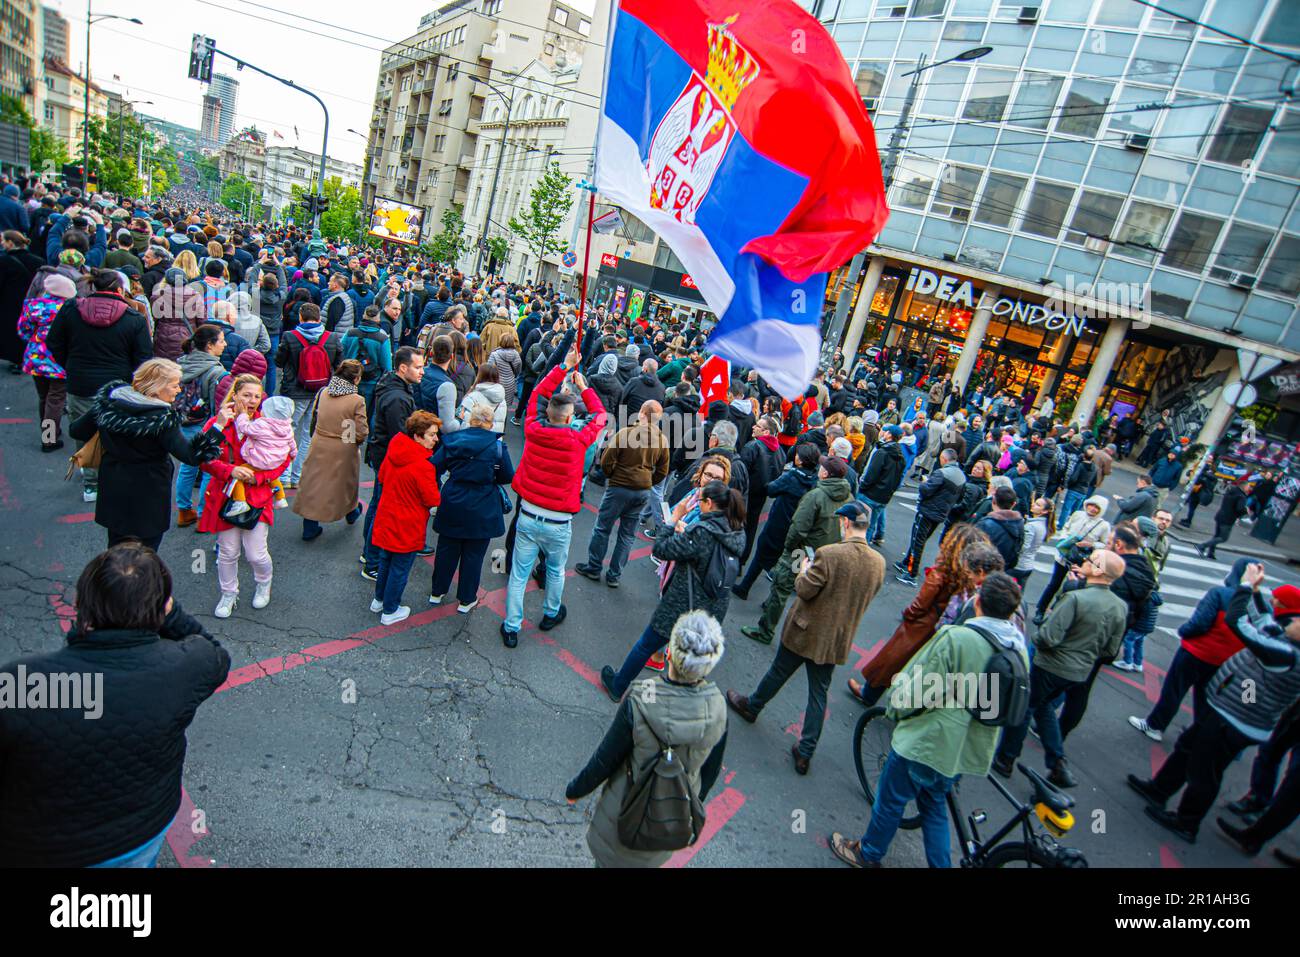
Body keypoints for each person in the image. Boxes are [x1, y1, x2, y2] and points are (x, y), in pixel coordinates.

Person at [0, 544, 230, 867]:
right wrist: (171, 612)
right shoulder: (183, 668)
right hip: (143, 830)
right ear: (160, 611)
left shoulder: (20, 683)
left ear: (81, 604)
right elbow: (216, 653)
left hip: (45, 847)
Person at [830, 573, 1029, 868]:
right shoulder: (1018, 647)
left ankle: (867, 852)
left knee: (891, 798)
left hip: (931, 738)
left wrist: (896, 709)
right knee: (934, 804)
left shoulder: (958, 638)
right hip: (965, 747)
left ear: (978, 604)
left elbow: (920, 687)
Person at [1129, 563, 1300, 843]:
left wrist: (1244, 588)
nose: (1287, 623)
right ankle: (1158, 789)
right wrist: (1255, 591)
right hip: (1226, 710)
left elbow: (1239, 623)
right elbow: (1264, 621)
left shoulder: (1286, 654)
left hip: (1236, 720)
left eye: (1293, 621)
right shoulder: (1284, 640)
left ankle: (1187, 822)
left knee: (1204, 771)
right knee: (1187, 748)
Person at [726, 502, 885, 773]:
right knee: (818, 693)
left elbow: (804, 590)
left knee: (779, 671)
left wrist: (804, 569)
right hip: (836, 636)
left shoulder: (830, 554)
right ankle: (805, 750)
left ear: (845, 523)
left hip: (806, 628)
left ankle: (752, 706)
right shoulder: (877, 563)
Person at [566, 610, 727, 868]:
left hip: (624, 815)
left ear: (670, 654)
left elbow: (605, 760)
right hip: (669, 820)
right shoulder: (719, 708)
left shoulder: (641, 699)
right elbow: (709, 773)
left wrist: (575, 790)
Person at [600, 481, 746, 700]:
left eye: (701, 501)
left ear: (710, 504)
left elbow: (661, 549)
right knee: (688, 658)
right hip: (714, 606)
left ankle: (618, 685)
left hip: (683, 602)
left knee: (647, 644)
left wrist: (674, 518)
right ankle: (675, 701)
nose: (698, 505)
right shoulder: (737, 532)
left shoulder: (703, 532)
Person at [994, 549, 1128, 787]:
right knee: (1044, 708)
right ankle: (1057, 762)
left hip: (1051, 665)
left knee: (1023, 708)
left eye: (1090, 560)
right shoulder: (1119, 606)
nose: (1084, 562)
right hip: (1080, 670)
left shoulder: (1077, 599)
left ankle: (1006, 758)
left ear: (1098, 570)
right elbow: (1110, 651)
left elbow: (1047, 637)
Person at [502, 348, 606, 647]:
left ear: (548, 413)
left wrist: (563, 367)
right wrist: (584, 388)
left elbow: (537, 392)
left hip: (529, 513)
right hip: (559, 520)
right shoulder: (580, 438)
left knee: (519, 574)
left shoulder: (534, 430)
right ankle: (550, 612)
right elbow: (600, 415)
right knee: (555, 569)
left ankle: (511, 626)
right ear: (571, 417)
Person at [68, 358, 226, 552]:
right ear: (156, 387)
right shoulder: (162, 419)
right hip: (148, 495)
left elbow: (77, 431)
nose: (179, 390)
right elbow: (192, 456)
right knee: (144, 555)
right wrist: (218, 426)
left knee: (116, 552)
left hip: (113, 488)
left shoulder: (110, 402)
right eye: (175, 385)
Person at [47, 267, 153, 502]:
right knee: (116, 431)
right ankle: (110, 478)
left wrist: (70, 364)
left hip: (81, 381)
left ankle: (90, 482)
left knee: (84, 430)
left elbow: (54, 341)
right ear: (119, 289)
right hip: (118, 386)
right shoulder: (133, 317)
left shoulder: (71, 310)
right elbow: (144, 357)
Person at [1126, 560, 1256, 742]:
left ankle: (1155, 725)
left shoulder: (1220, 594)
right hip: (1223, 661)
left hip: (1196, 652)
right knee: (1204, 698)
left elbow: (1200, 623)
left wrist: (1184, 631)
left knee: (1174, 690)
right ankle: (1197, 734)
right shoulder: (1256, 605)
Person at [199, 374, 292, 618]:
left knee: (256, 553)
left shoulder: (268, 422)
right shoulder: (218, 422)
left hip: (258, 494)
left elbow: (285, 458)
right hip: (225, 495)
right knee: (227, 551)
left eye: (257, 395)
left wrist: (259, 478)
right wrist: (230, 470)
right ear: (235, 395)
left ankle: (264, 583)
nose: (252, 400)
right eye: (246, 395)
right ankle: (228, 593)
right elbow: (203, 459)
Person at [741, 456, 852, 645]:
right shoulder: (848, 497)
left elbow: (798, 528)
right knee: (813, 595)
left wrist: (790, 547)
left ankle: (765, 630)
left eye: (822, 467)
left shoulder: (816, 496)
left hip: (802, 551)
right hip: (828, 554)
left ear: (825, 473)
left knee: (781, 588)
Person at [428, 402, 514, 613]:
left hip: (453, 499)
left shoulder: (453, 440)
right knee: (473, 554)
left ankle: (437, 592)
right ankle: (466, 599)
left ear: (470, 419)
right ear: (490, 423)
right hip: (482, 503)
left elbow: (434, 467)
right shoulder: (496, 446)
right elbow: (507, 476)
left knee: (446, 549)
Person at [576, 400, 670, 587]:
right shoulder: (662, 440)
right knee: (627, 535)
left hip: (619, 487)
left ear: (642, 413)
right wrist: (649, 481)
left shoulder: (626, 433)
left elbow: (606, 460)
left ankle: (594, 567)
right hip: (642, 490)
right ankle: (614, 575)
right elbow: (662, 470)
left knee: (603, 528)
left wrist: (613, 476)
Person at [369, 410, 442, 625]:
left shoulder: (395, 451)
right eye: (431, 435)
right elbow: (433, 499)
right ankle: (390, 610)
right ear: (417, 436)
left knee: (385, 562)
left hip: (387, 517)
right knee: (399, 569)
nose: (436, 439)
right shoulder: (423, 466)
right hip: (408, 524)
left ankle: (379, 600)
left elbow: (382, 477)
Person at [361, 347, 426, 580]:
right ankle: (373, 561)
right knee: (381, 509)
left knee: (378, 504)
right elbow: (401, 435)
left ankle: (368, 553)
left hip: (381, 454)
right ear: (403, 368)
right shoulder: (398, 397)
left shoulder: (393, 386)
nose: (422, 372)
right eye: (418, 367)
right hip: (388, 459)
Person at [293, 359, 368, 541]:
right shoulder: (356, 400)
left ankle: (310, 526)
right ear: (356, 378)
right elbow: (359, 430)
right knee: (344, 483)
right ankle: (351, 512)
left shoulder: (324, 391)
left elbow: (315, 416)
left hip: (319, 442)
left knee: (313, 483)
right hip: (343, 446)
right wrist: (353, 440)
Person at [275, 302, 341, 488]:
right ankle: (297, 476)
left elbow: (279, 361)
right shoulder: (332, 338)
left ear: (301, 318)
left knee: (287, 431)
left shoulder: (290, 336)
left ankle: (284, 475)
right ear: (320, 319)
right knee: (307, 434)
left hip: (294, 390)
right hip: (320, 391)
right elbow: (338, 364)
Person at [17, 271, 76, 452]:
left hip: (35, 357)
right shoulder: (70, 309)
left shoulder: (33, 306)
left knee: (44, 397)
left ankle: (48, 432)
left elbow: (23, 331)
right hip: (59, 360)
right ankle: (49, 438)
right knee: (56, 400)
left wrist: (35, 341)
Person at [1032, 494, 1110, 626]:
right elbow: (1066, 527)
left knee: (1069, 587)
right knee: (1054, 584)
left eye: (1097, 508)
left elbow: (1105, 544)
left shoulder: (1104, 525)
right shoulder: (1078, 514)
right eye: (1091, 505)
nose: (1092, 509)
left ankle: (1054, 611)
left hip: (1081, 561)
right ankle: (1040, 610)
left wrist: (1090, 544)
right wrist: (1066, 538)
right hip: (1064, 555)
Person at [896, 448, 967, 585]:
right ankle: (906, 563)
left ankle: (912, 573)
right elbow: (960, 497)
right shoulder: (962, 476)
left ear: (944, 459)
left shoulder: (942, 473)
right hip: (941, 513)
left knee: (918, 540)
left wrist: (924, 483)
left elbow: (926, 490)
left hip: (928, 510)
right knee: (920, 539)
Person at [1195, 479, 1251, 560]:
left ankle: (1211, 553)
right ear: (1244, 486)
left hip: (1220, 515)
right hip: (1228, 519)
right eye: (1248, 486)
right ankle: (1202, 546)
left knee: (1217, 536)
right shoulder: (1241, 496)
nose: (1249, 488)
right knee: (1223, 538)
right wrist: (1246, 510)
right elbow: (1239, 509)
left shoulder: (1230, 491)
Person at [1010, 497, 1054, 589]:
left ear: (1044, 511)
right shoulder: (1043, 525)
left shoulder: (1032, 526)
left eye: (1038, 505)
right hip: (1028, 564)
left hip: (1019, 565)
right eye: (1035, 503)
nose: (1033, 504)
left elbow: (1024, 547)